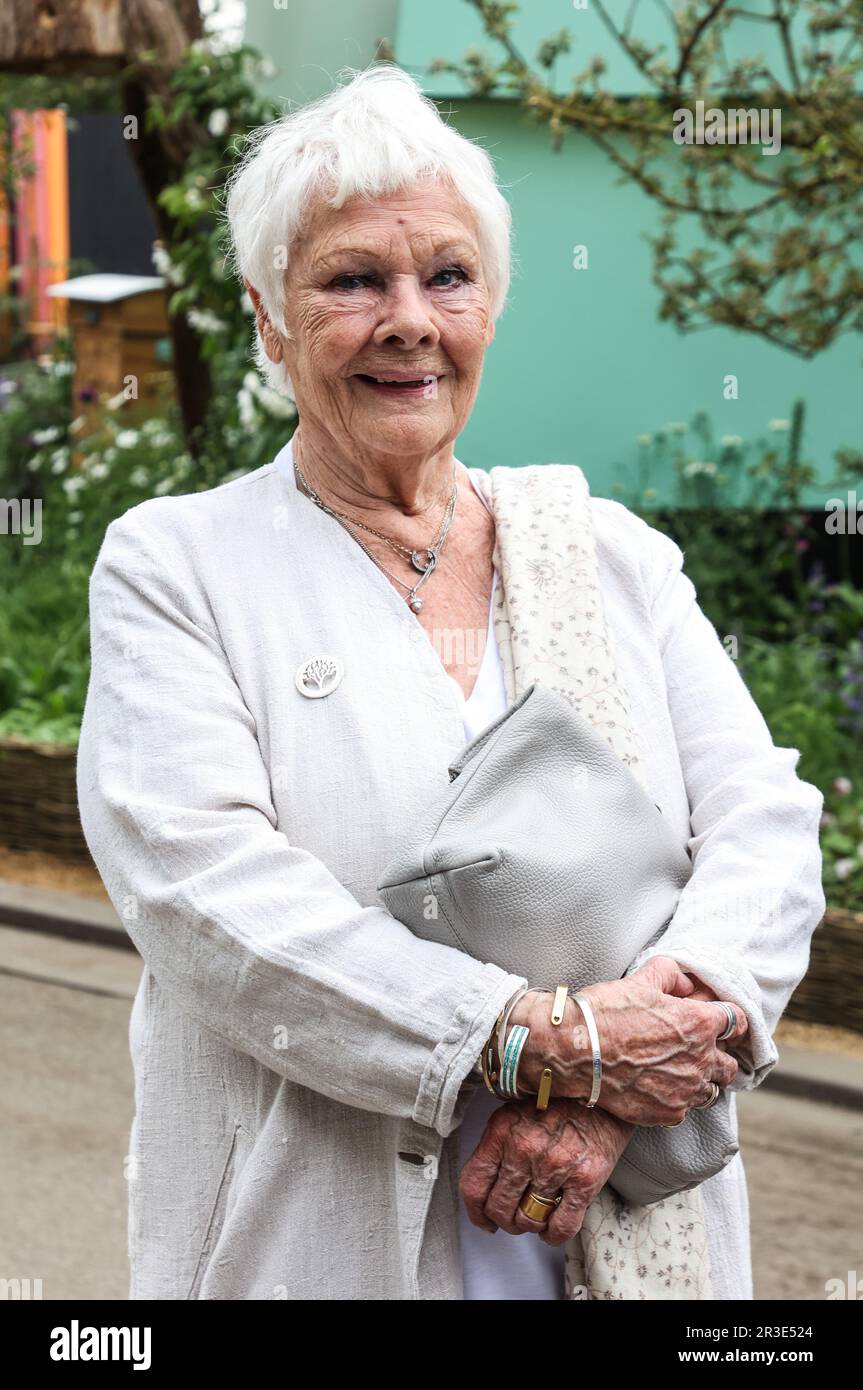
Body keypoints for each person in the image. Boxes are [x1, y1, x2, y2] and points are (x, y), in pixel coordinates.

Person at [76, 65, 825, 1300]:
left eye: (448, 276)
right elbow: (208, 895)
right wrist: (540, 1045)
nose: (409, 319)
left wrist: (612, 1089)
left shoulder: (608, 555)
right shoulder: (180, 564)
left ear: (491, 303)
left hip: (617, 1231)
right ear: (268, 316)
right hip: (316, 1242)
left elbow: (764, 824)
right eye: (353, 280)